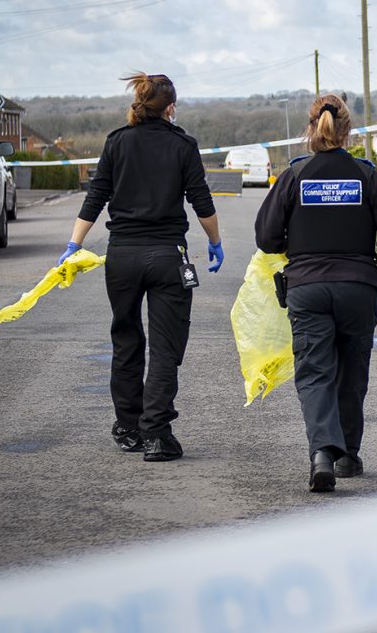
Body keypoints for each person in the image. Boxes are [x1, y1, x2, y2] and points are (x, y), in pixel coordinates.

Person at [57, 73, 224, 463]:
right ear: (170, 108)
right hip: (167, 255)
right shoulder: (183, 145)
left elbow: (96, 196)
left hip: (123, 257)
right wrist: (215, 242)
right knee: (166, 347)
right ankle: (157, 434)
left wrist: (74, 244)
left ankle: (128, 427)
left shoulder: (117, 142)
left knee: (126, 339)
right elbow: (201, 201)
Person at [255, 94, 377, 492]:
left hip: (306, 288)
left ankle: (322, 453)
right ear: (348, 131)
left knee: (315, 371)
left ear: (311, 128)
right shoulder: (367, 176)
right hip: (358, 287)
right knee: (352, 371)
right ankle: (349, 456)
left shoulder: (294, 177)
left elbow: (267, 237)